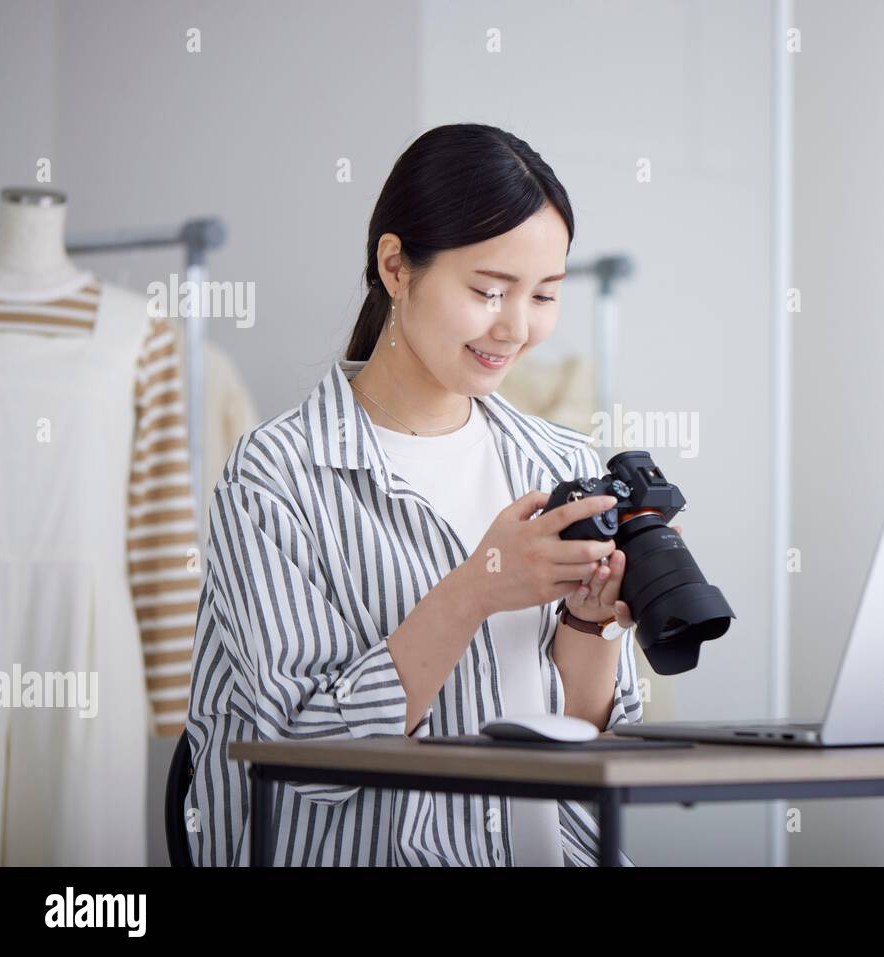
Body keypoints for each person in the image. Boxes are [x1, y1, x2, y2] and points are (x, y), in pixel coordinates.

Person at [184, 123, 665, 865]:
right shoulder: (275, 474)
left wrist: (588, 624)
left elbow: (595, 743)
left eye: (544, 294)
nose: (517, 326)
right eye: (488, 290)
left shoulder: (561, 458)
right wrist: (476, 588)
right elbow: (303, 754)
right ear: (396, 267)